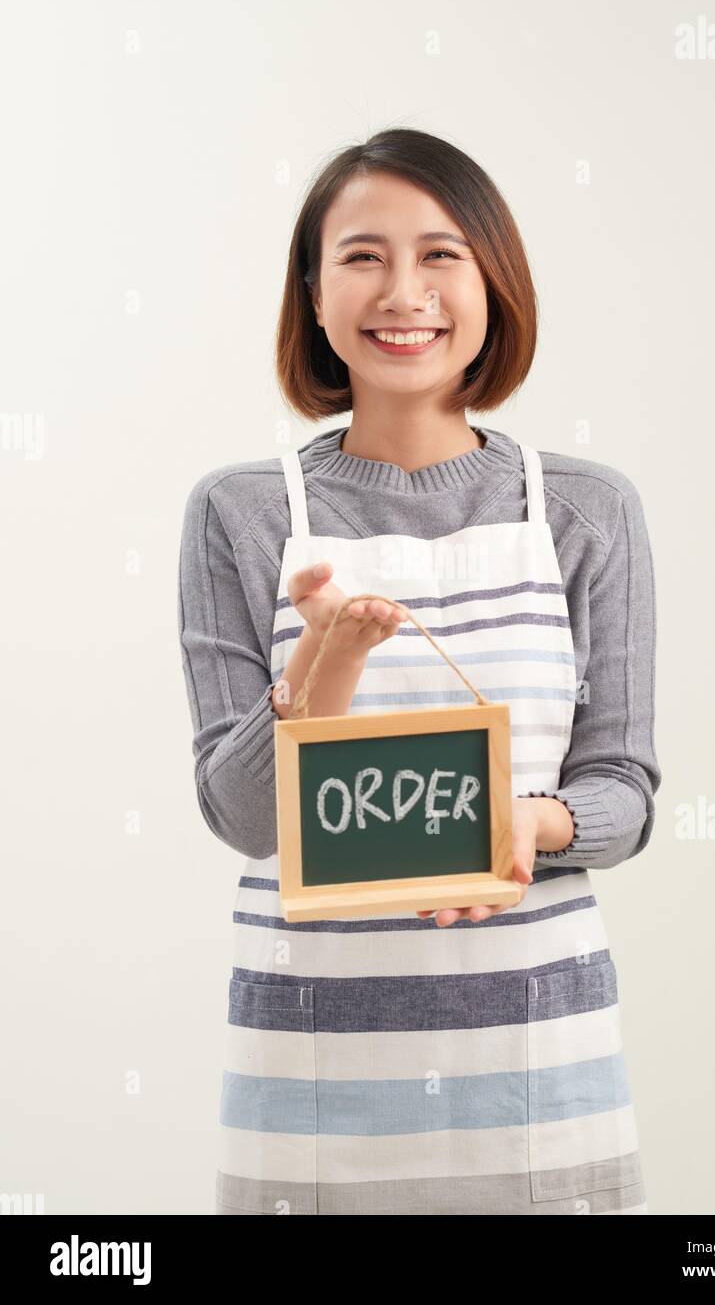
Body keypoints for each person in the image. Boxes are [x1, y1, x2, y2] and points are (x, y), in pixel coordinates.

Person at [177, 127, 662, 1215]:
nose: (404, 293)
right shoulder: (242, 512)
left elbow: (624, 796)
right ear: (311, 292)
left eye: (441, 255)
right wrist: (329, 655)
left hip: (537, 1053)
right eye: (361, 256)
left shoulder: (584, 508)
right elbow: (245, 818)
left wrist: (520, 823)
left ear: (493, 282)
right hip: (314, 1060)